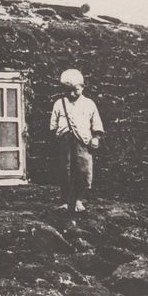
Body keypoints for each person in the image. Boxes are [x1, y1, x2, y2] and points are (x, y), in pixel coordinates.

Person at [49, 68, 104, 212]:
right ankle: (65, 201)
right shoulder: (59, 104)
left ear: (83, 87)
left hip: (83, 142)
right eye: (68, 90)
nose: (72, 94)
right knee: (65, 171)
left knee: (83, 170)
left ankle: (79, 200)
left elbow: (96, 124)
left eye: (76, 90)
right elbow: (53, 125)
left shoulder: (89, 104)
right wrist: (58, 138)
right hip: (64, 142)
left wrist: (96, 137)